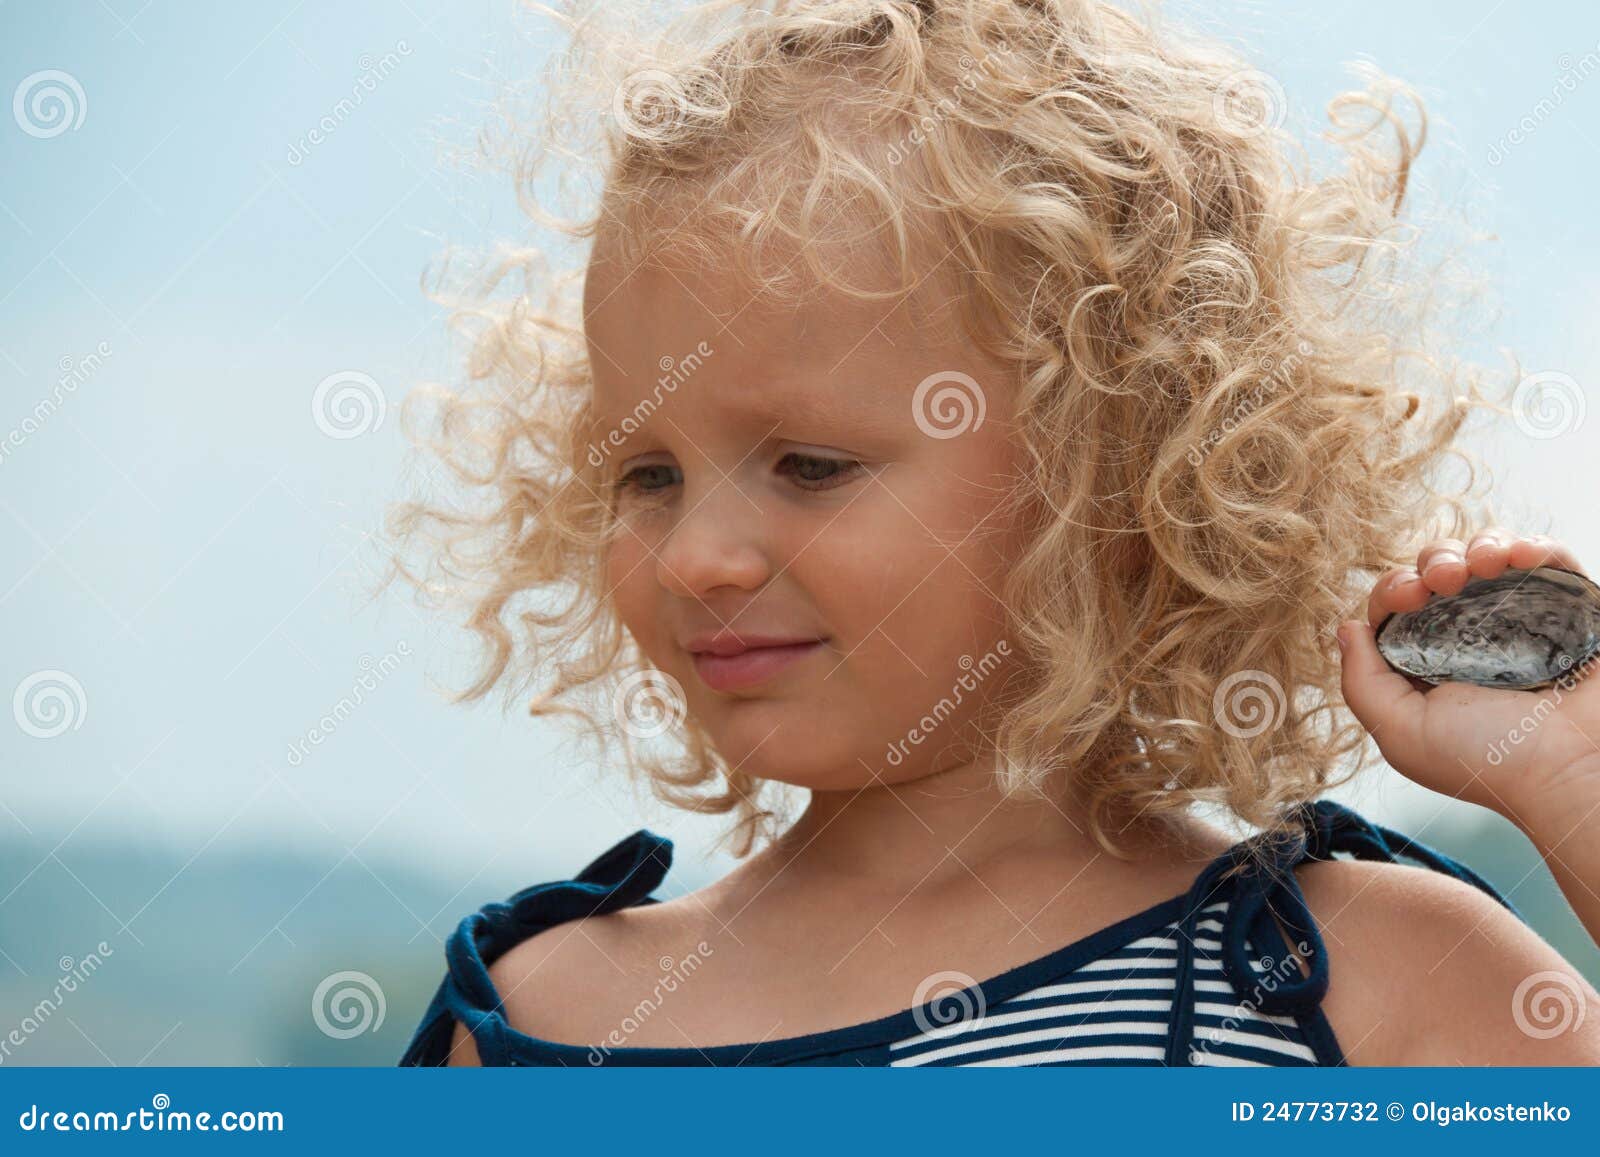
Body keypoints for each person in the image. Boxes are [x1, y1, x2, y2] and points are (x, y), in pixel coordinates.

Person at [393, 0, 1600, 1066]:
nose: (694, 556)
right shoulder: (543, 1024)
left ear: (1125, 468)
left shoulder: (1356, 985)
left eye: (812, 465)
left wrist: (1581, 792)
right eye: (644, 473)